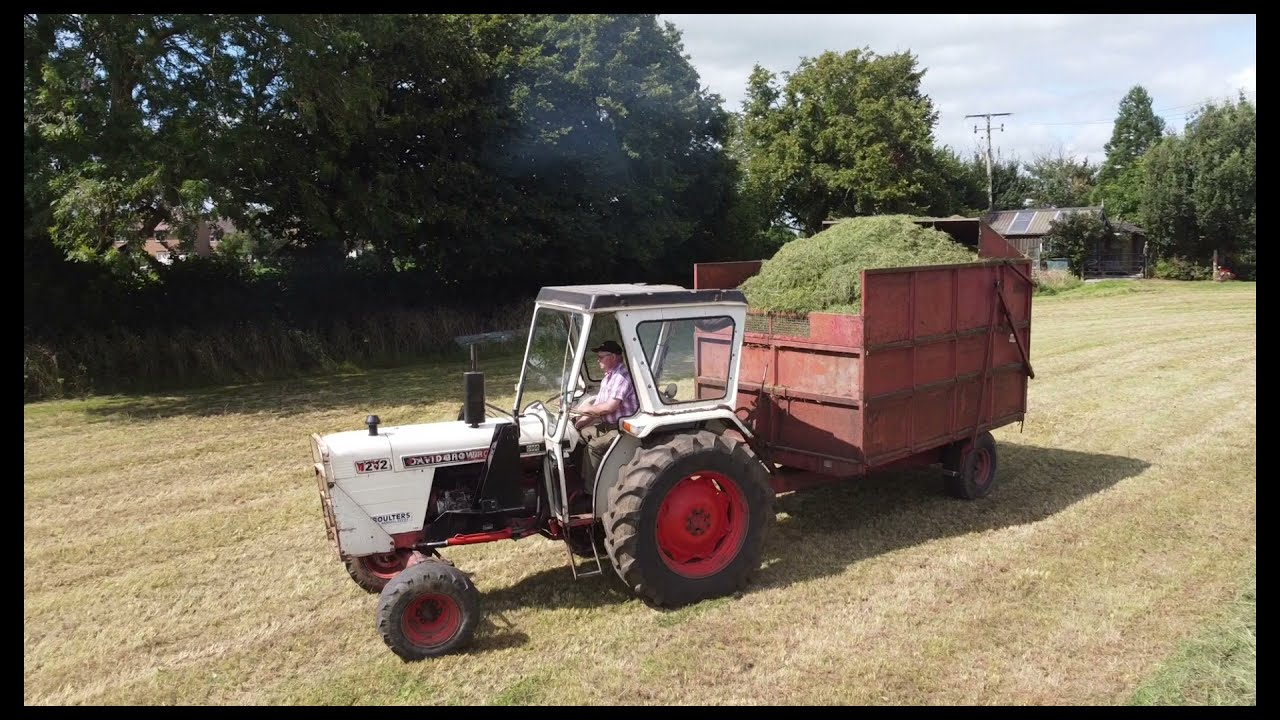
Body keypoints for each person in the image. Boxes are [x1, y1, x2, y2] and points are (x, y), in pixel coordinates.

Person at [573, 340, 638, 494]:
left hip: (621, 429)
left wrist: (588, 409)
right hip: (607, 425)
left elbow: (609, 407)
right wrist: (579, 423)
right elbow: (598, 408)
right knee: (578, 438)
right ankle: (580, 480)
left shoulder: (621, 377)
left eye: (601, 357)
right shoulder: (609, 377)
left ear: (613, 357)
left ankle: (592, 492)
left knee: (593, 448)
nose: (598, 360)